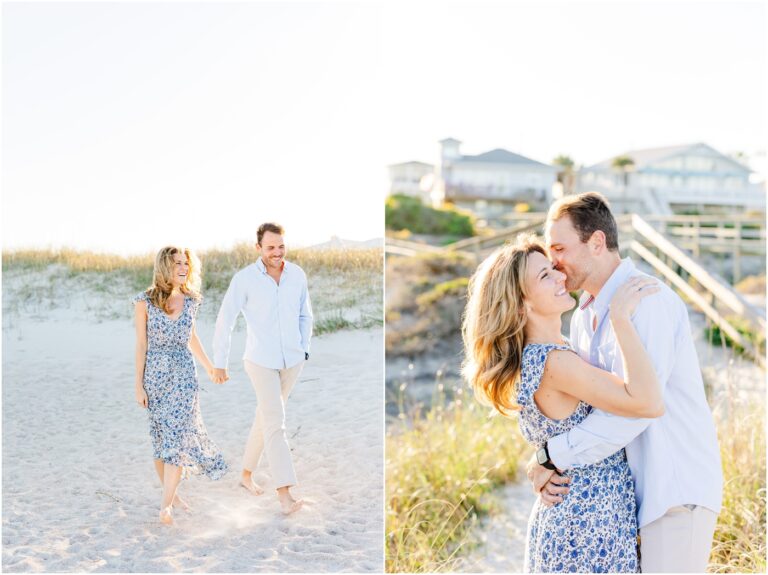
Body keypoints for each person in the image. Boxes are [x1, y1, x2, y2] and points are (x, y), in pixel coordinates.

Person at [527, 192, 722, 573]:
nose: (555, 261)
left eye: (561, 248)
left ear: (597, 242)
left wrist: (553, 455)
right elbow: (595, 407)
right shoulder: (583, 316)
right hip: (631, 496)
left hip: (674, 490)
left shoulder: (647, 301)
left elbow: (637, 411)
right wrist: (543, 459)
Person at [462, 232, 663, 572]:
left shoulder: (548, 355)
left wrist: (542, 459)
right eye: (545, 275)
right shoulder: (554, 362)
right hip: (585, 524)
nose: (560, 276)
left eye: (553, 267)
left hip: (579, 516)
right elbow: (646, 400)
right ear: (521, 303)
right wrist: (620, 319)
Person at [212, 222, 313, 515]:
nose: (277, 253)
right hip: (260, 361)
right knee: (275, 422)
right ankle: (285, 495)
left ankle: (245, 475)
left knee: (266, 416)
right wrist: (220, 362)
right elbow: (225, 319)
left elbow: (306, 314)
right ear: (258, 248)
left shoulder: (297, 275)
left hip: (293, 361)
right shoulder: (245, 280)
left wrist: (304, 348)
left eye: (281, 246)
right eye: (270, 247)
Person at [133, 246, 228, 526]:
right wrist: (138, 385)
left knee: (177, 440)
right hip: (156, 376)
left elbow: (192, 337)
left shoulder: (192, 299)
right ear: (165, 266)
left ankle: (165, 507)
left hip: (185, 375)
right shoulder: (145, 301)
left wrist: (209, 366)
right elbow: (141, 345)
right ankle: (171, 496)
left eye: (186, 263)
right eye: (177, 264)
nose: (183, 268)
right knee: (161, 440)